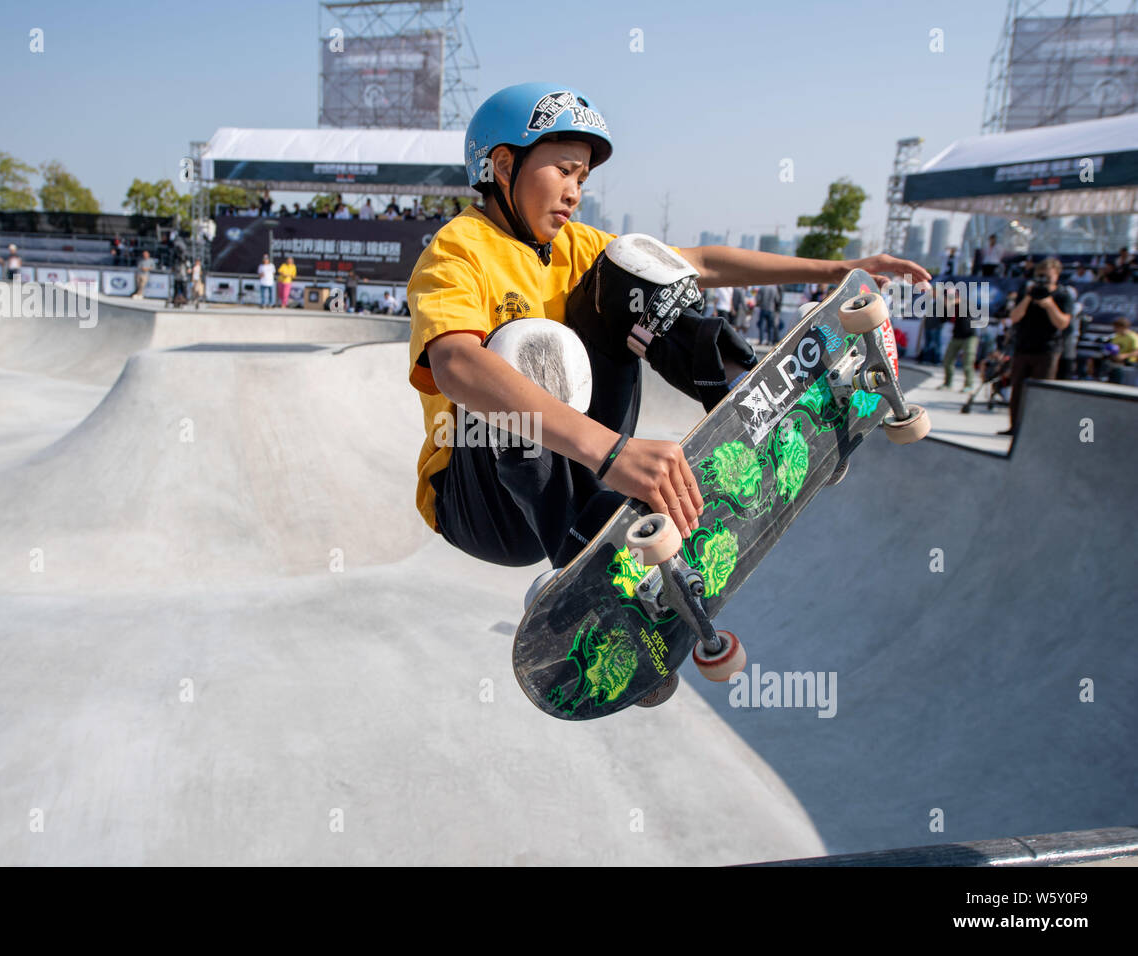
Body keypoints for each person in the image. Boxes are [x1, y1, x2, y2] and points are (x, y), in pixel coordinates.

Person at [406, 81, 930, 624]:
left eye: (583, 178)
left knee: (634, 263)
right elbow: (455, 364)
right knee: (522, 345)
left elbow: (700, 263)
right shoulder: (458, 248)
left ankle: (750, 405)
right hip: (487, 507)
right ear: (505, 165)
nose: (574, 192)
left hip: (577, 471)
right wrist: (613, 452)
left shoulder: (577, 245)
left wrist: (836, 270)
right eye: (563, 170)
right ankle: (582, 575)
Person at [1001, 257, 1074, 435]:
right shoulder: (1026, 291)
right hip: (1023, 347)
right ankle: (1015, 426)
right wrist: (1028, 298)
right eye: (1040, 276)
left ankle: (1036, 429)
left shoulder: (1063, 295)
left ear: (1056, 276)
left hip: (1047, 350)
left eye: (1047, 277)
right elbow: (1015, 317)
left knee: (1041, 391)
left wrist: (1049, 305)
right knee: (1018, 390)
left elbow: (1063, 323)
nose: (1043, 280)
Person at [939, 286, 977, 391]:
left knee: (968, 362)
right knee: (948, 360)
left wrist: (955, 303)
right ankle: (948, 383)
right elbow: (942, 320)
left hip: (969, 337)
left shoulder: (965, 303)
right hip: (956, 336)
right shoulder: (950, 307)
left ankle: (968, 385)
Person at [1101, 318, 1138, 384]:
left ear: (1123, 327)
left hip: (1128, 361)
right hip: (1116, 359)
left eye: (1116, 328)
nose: (1115, 329)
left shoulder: (1133, 337)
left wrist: (1123, 356)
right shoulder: (1116, 336)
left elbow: (1136, 352)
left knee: (1118, 370)